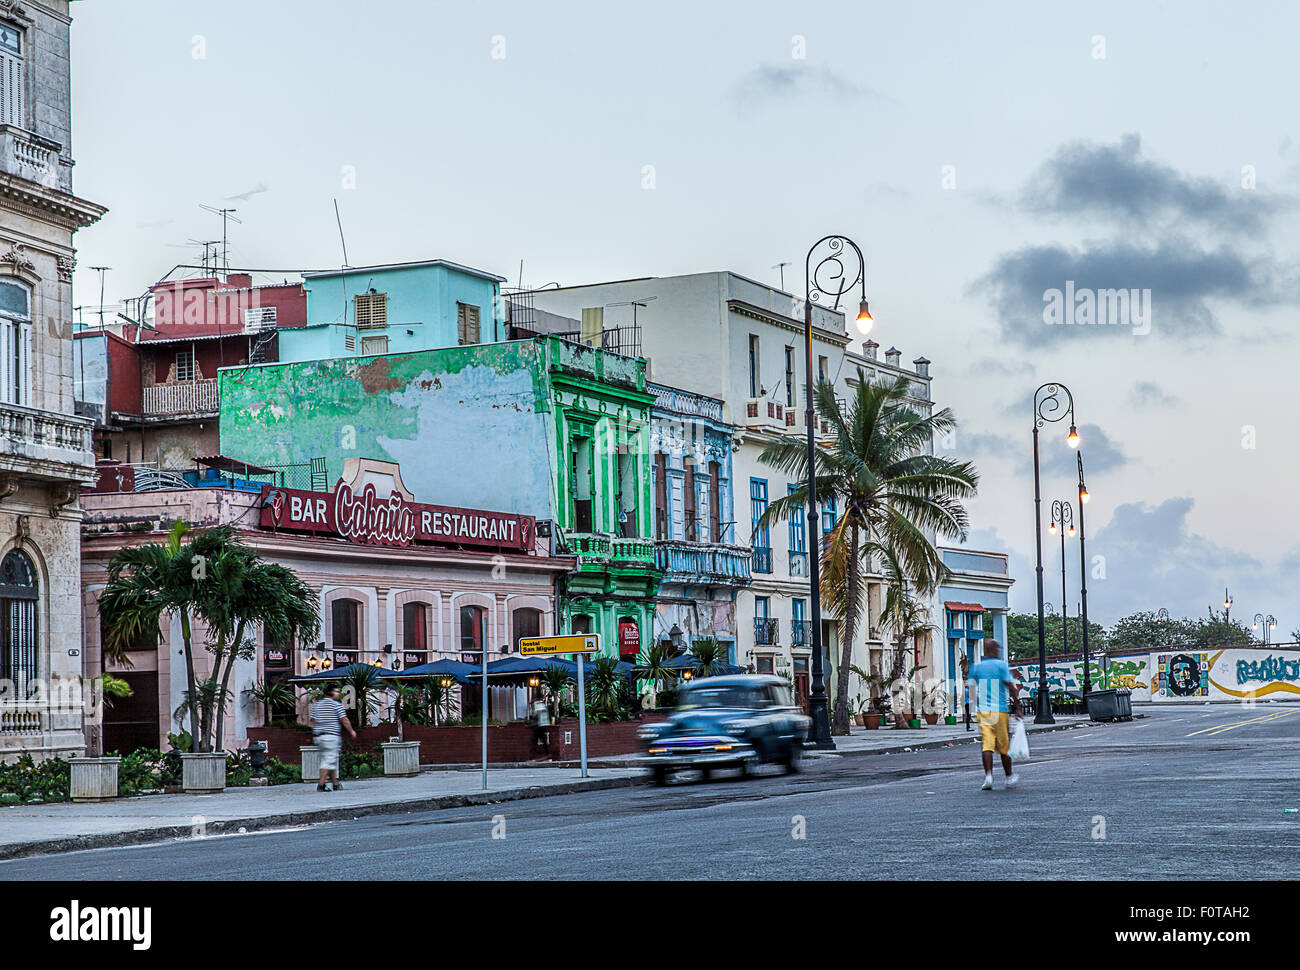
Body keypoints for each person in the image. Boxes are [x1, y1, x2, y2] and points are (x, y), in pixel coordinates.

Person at [966, 637, 1021, 791]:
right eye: (997, 648)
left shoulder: (976, 667)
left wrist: (977, 703)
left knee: (987, 745)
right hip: (1000, 710)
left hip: (983, 711)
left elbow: (970, 687)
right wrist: (1017, 706)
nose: (998, 651)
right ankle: (1009, 776)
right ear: (993, 649)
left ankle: (988, 777)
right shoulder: (1001, 665)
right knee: (1004, 746)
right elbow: (1010, 686)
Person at [310, 684, 356, 792]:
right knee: (328, 760)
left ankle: (335, 783)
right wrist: (351, 731)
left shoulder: (317, 705)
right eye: (336, 691)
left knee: (330, 759)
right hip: (331, 736)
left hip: (319, 736)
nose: (338, 693)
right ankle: (321, 785)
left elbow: (313, 720)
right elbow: (344, 720)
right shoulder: (337, 705)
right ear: (331, 693)